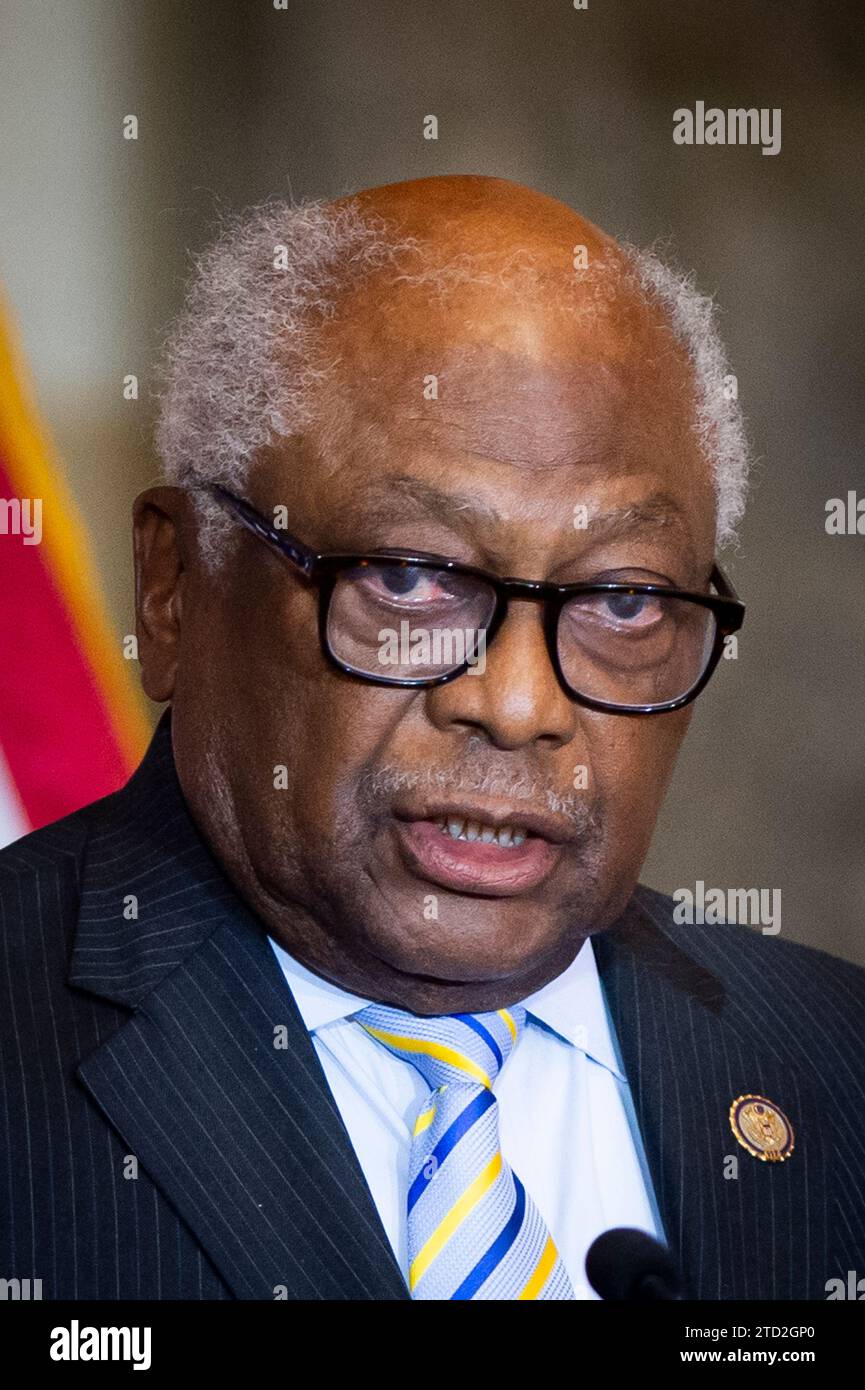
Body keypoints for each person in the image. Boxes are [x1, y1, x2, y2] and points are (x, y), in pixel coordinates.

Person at [2, 175, 863, 1301]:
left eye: (625, 600)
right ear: (175, 587)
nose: (516, 705)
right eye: (409, 578)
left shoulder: (839, 1061)